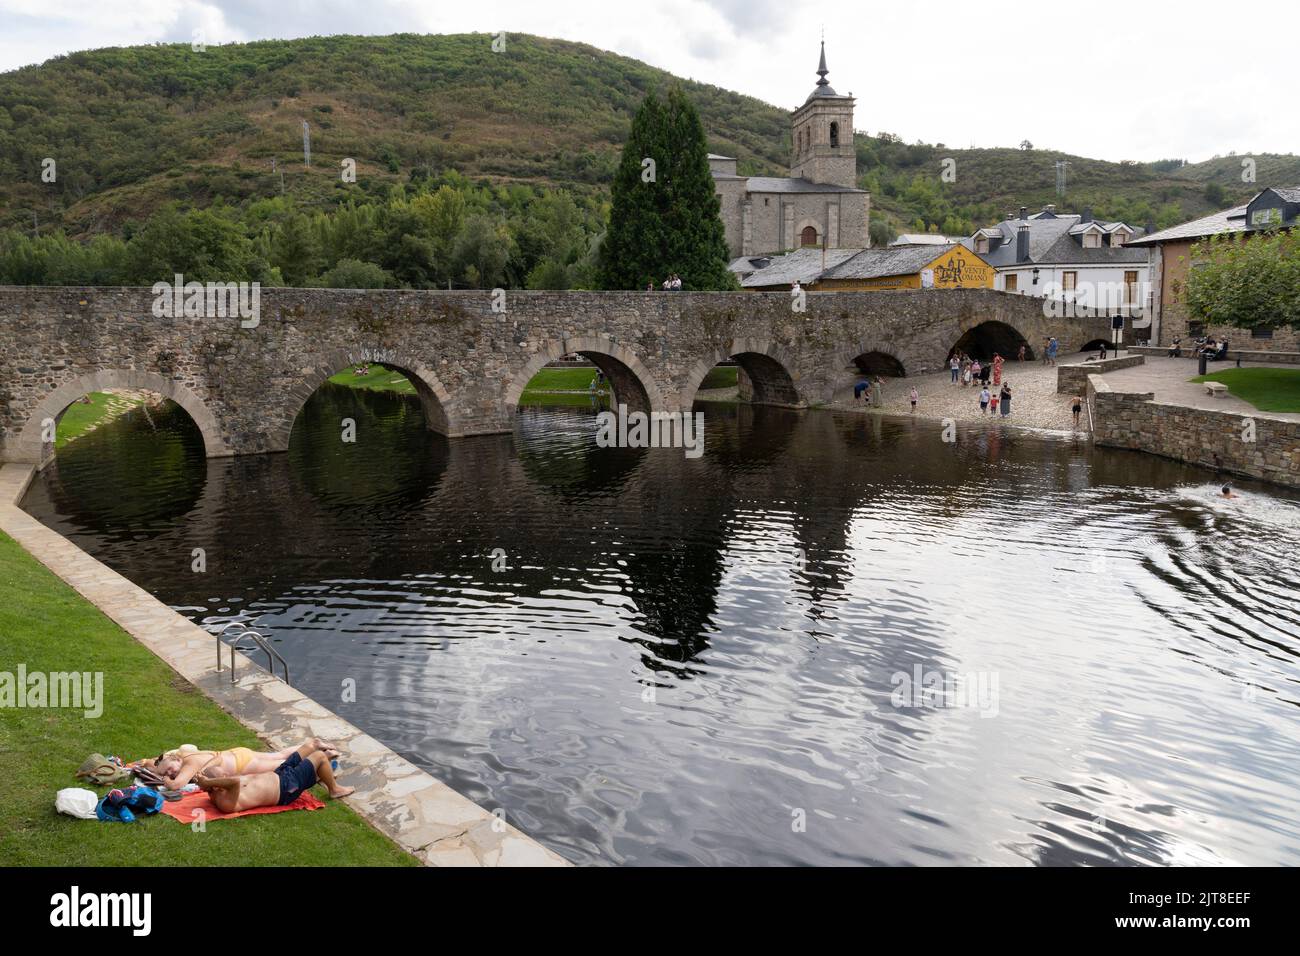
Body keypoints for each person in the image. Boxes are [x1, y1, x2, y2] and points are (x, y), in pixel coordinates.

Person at [196, 739, 353, 813]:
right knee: (318, 756)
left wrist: (201, 775)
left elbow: (219, 764)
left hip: (279, 773)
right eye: (223, 775)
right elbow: (235, 781)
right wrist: (208, 781)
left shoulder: (220, 787)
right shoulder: (225, 802)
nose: (226, 774)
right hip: (286, 788)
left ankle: (325, 762)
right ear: (215, 785)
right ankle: (334, 789)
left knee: (311, 745)